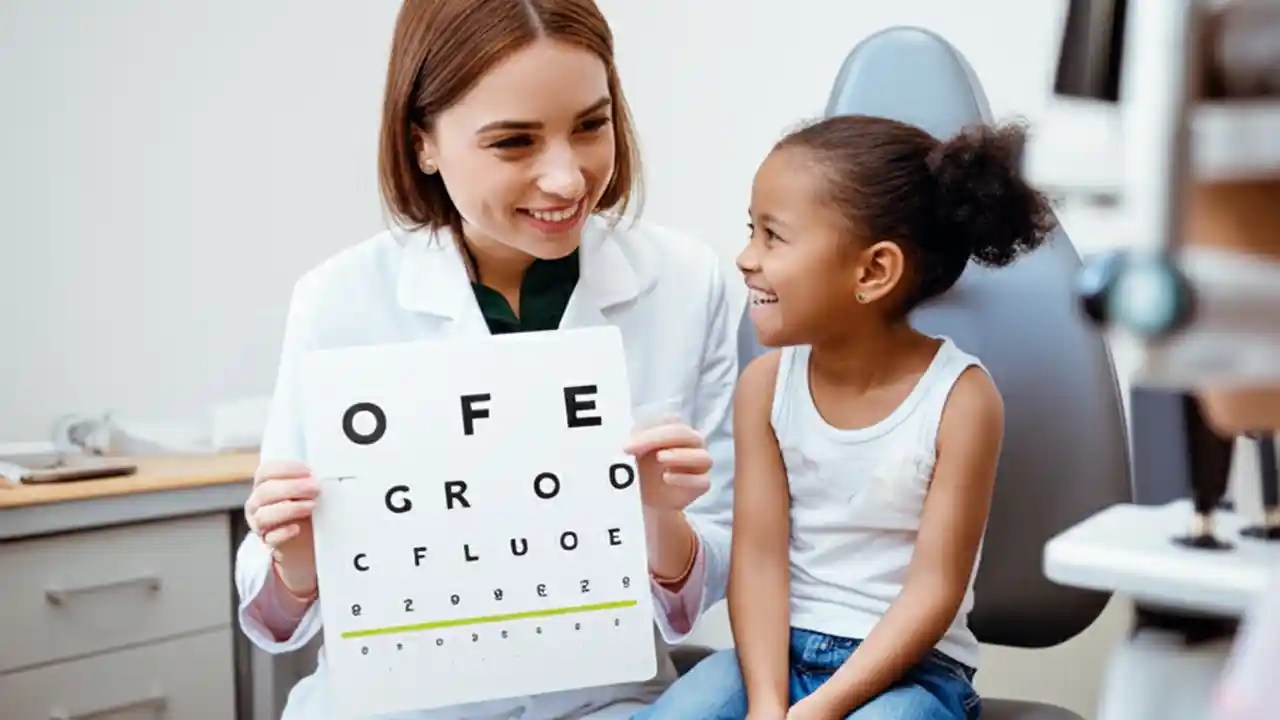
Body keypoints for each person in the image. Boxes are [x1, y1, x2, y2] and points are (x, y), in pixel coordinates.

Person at [234, 1, 736, 718]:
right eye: (513, 143)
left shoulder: (685, 282)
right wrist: (296, 559)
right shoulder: (338, 299)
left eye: (590, 126)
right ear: (423, 144)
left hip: (602, 702)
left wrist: (660, 517)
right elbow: (277, 616)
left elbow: (700, 588)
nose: (566, 179)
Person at [635, 116, 1055, 720]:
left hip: (913, 671)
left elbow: (934, 590)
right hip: (773, 656)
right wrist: (767, 704)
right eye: (752, 230)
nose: (746, 258)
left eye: (773, 237)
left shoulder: (961, 400)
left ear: (873, 271)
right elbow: (758, 562)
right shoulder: (765, 388)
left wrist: (822, 709)